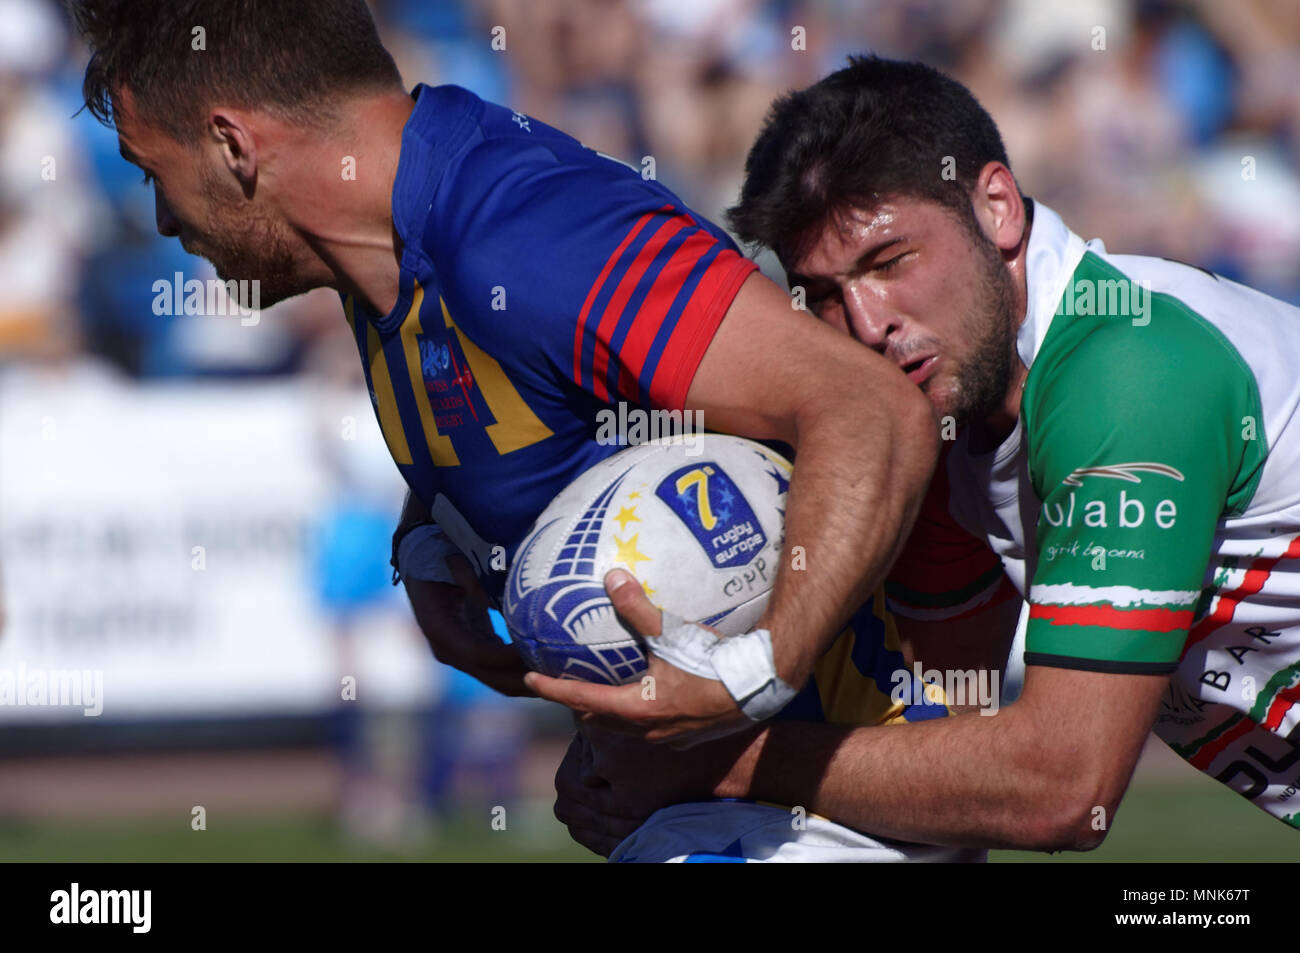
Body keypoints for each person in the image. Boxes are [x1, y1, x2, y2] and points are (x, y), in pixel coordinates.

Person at [69, 3, 1002, 859]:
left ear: (233, 145)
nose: (162, 219)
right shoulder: (380, 239)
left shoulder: (520, 229)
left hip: (826, 811)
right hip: (713, 808)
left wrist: (754, 672)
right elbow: (533, 394)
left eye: (157, 176)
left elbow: (869, 410)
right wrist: (433, 539)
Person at [545, 56, 1300, 851]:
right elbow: (942, 734)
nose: (868, 323)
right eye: (826, 295)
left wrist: (717, 762)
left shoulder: (1129, 374)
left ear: (998, 208)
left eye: (889, 261)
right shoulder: (949, 428)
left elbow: (1065, 788)